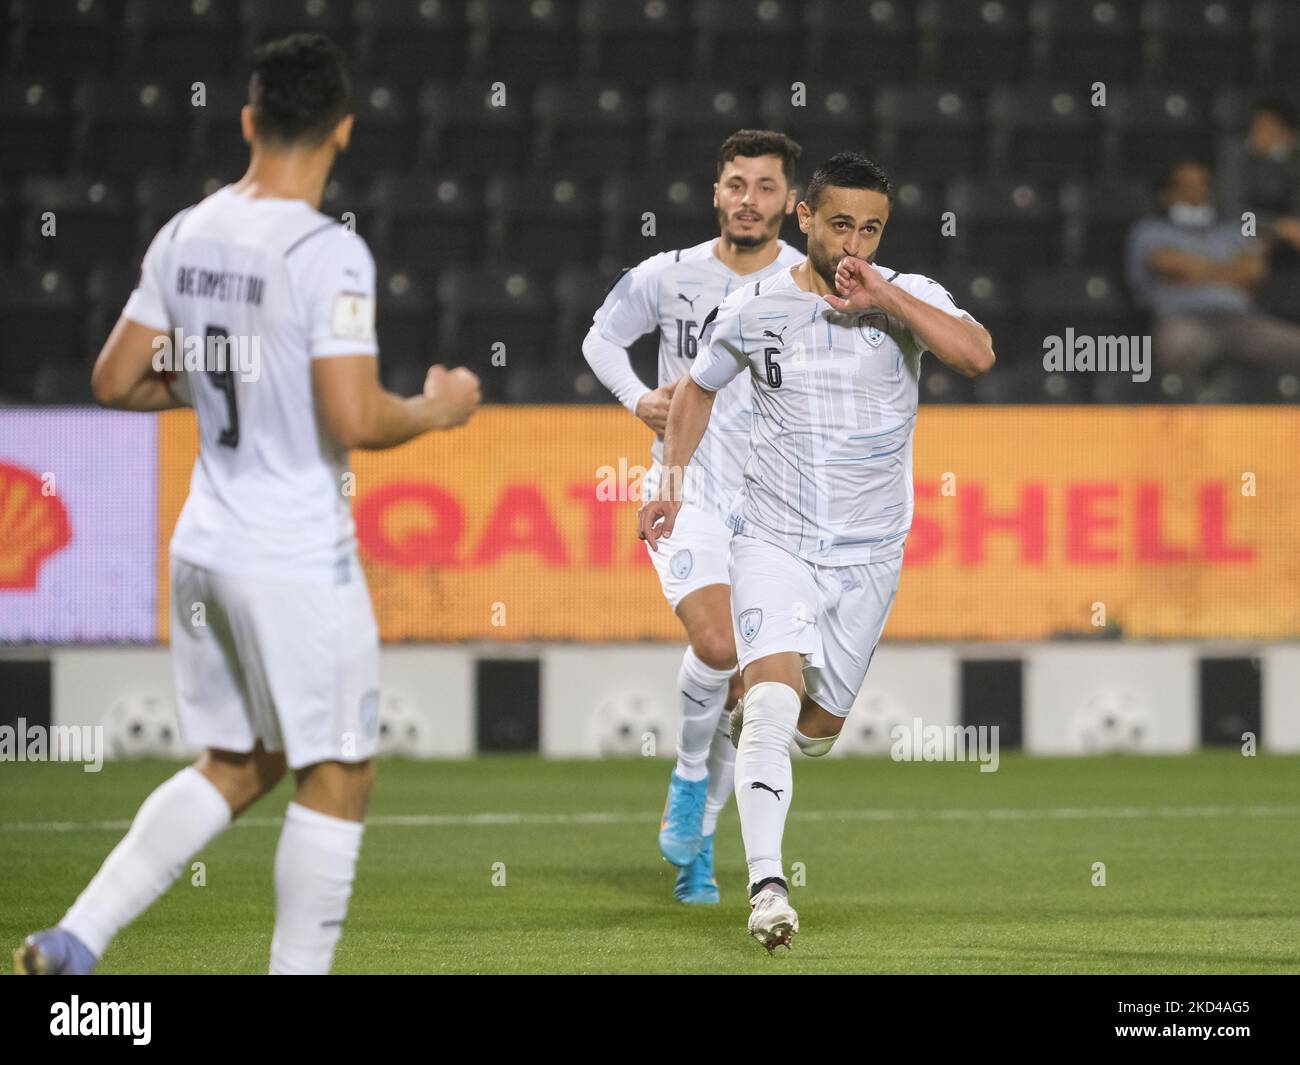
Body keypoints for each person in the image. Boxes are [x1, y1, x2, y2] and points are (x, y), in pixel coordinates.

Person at [15, 33, 481, 976]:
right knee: (341, 770)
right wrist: (436, 409)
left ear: (247, 121)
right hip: (294, 552)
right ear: (343, 130)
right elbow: (352, 414)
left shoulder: (186, 231)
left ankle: (77, 936)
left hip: (203, 547)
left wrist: (215, 382)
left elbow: (114, 379)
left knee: (240, 761)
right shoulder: (327, 253)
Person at [638, 153, 994, 950]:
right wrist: (670, 482)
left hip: (870, 555)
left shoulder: (908, 295)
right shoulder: (755, 307)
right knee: (768, 700)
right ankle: (767, 885)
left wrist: (888, 297)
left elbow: (976, 356)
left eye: (870, 228)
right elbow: (697, 387)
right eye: (841, 225)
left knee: (815, 731)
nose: (855, 243)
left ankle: (749, 733)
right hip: (775, 538)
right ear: (803, 217)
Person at [583, 130, 804, 905]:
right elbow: (600, 336)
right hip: (689, 491)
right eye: (737, 184)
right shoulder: (668, 274)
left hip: (774, 505)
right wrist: (636, 395)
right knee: (716, 643)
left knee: (749, 695)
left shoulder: (804, 285)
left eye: (766, 186)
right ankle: (685, 778)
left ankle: (700, 850)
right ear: (717, 193)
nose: (750, 199)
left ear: (790, 201)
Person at [1127, 159, 1300, 398]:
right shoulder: (1149, 230)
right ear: (1167, 194)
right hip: (1183, 319)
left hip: (1242, 320)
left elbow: (1253, 272)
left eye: (1202, 185)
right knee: (1178, 350)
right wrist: (1229, 272)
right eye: (1186, 186)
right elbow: (1170, 265)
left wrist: (1196, 270)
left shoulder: (1230, 230)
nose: (1196, 192)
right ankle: (1188, 428)